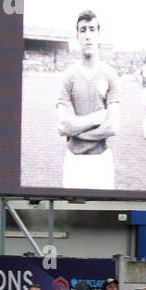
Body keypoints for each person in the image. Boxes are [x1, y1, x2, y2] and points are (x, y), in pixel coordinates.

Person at [56, 10, 120, 190]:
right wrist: (97, 118)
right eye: (83, 30)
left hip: (101, 162)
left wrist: (76, 129)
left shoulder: (110, 75)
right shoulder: (68, 76)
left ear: (99, 34)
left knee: (106, 216)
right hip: (73, 161)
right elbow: (62, 126)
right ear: (77, 36)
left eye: (92, 29)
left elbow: (113, 126)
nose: (88, 35)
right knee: (67, 216)